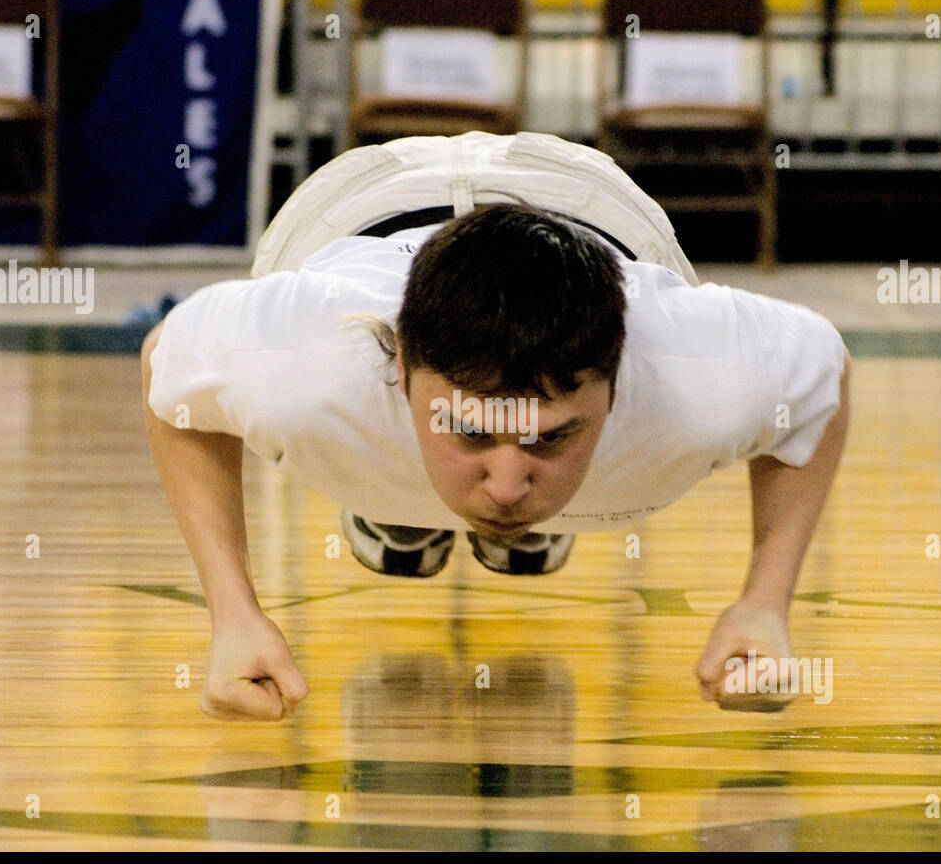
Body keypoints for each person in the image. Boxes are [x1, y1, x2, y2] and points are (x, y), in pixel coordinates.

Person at [141, 131, 850, 721]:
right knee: (448, 473)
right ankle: (417, 493)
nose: (508, 485)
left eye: (551, 436)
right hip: (363, 196)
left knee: (474, 484)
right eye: (471, 433)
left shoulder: (697, 368)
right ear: (396, 368)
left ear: (619, 379)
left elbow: (827, 376)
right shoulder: (306, 360)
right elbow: (164, 367)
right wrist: (233, 615)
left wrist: (766, 606)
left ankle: (416, 491)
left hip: (579, 195)